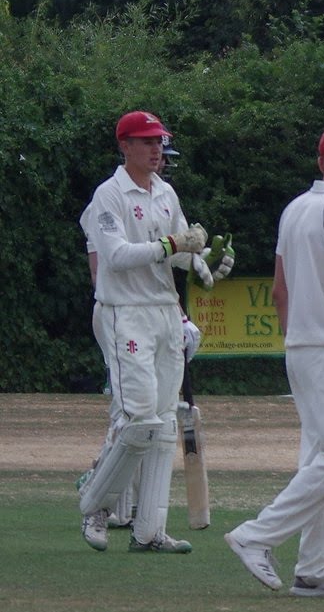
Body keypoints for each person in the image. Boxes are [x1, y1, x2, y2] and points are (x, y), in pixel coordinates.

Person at [225, 126, 324, 598]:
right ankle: (256, 535)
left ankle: (316, 569)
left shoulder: (295, 208)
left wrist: (296, 338)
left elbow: (280, 291)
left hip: (302, 346)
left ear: (320, 162)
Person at [78, 111, 211, 555]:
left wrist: (203, 261)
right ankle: (95, 505)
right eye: (148, 141)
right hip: (125, 312)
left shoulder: (166, 192)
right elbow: (116, 256)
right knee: (139, 420)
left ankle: (150, 531)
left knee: (164, 425)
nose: (157, 149)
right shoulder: (109, 195)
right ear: (125, 146)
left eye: (160, 141)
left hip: (164, 313)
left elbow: (179, 251)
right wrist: (174, 245)